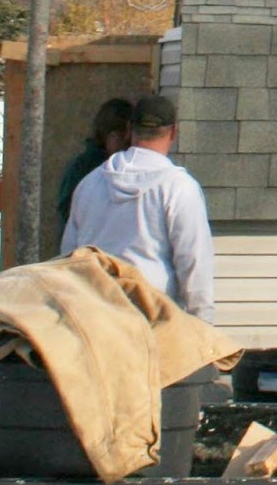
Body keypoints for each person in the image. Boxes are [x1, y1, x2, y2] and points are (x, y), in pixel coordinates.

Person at [61, 94, 216, 321]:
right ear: (173, 132)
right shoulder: (178, 188)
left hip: (94, 319)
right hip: (151, 320)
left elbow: (69, 256)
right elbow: (194, 263)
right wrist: (203, 327)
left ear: (130, 129)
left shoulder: (90, 183)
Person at [55, 98, 133, 228]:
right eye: (124, 138)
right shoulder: (82, 167)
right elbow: (68, 213)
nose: (128, 145)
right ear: (112, 135)